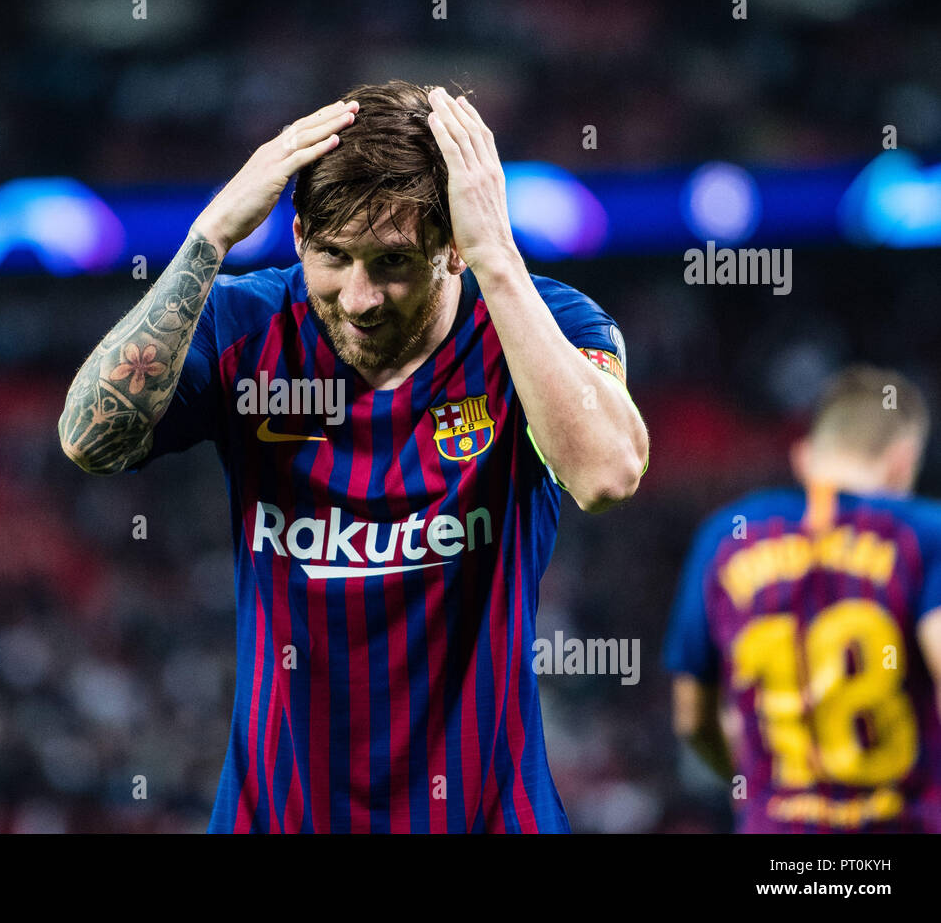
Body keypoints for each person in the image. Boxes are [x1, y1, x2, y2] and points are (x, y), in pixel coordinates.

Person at [60, 79, 648, 832]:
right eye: (335, 257)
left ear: (452, 251)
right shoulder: (246, 325)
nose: (362, 297)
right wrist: (206, 238)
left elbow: (606, 475)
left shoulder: (541, 323)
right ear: (300, 236)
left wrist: (499, 259)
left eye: (394, 262)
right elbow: (87, 440)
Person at [664, 365, 941, 831]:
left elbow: (691, 718)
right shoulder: (924, 535)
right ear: (903, 458)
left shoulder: (726, 536)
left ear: (804, 457)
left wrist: (754, 788)